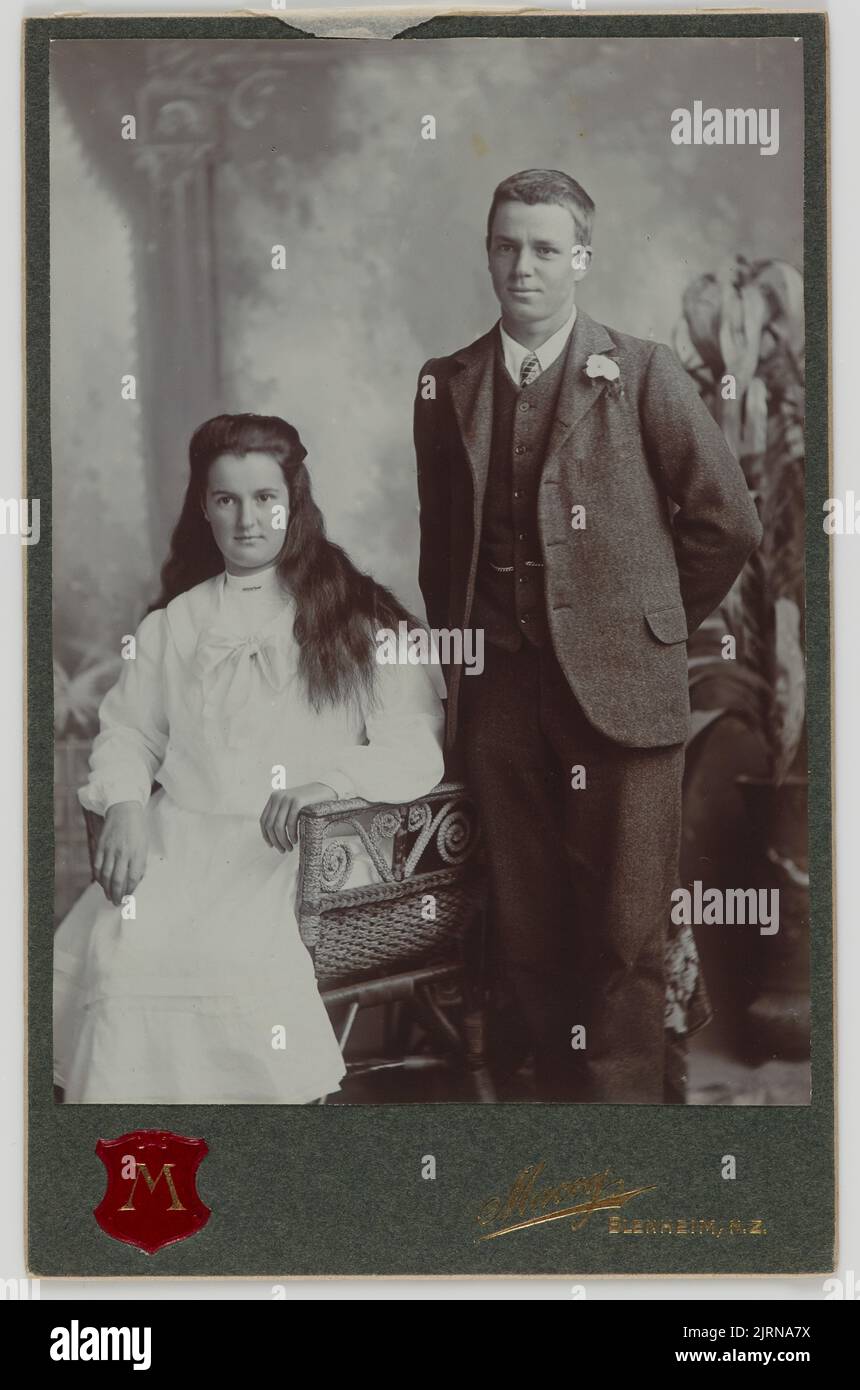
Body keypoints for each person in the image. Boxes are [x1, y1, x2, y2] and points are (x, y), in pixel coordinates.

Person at [413, 169, 762, 1103]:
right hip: (502, 706)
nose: (520, 266)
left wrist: (647, 628)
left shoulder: (641, 370)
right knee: (527, 932)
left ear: (581, 260)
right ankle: (557, 1143)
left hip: (623, 699)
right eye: (504, 244)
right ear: (487, 251)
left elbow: (726, 522)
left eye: (543, 248)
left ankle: (623, 1151)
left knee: (623, 937)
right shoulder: (446, 384)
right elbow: (440, 550)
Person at [54, 413, 445, 1104]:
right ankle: (151, 1158)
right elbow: (129, 732)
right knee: (116, 955)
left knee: (229, 964)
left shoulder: (356, 617)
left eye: (265, 498)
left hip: (294, 849)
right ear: (203, 506)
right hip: (182, 839)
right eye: (226, 499)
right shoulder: (175, 622)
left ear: (292, 502)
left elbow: (413, 745)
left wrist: (327, 783)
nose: (246, 519)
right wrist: (122, 803)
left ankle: (259, 1149)